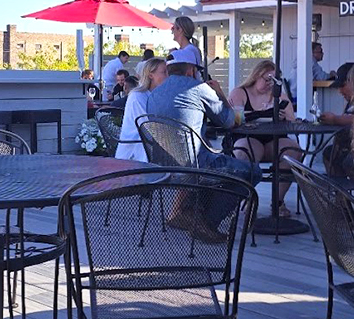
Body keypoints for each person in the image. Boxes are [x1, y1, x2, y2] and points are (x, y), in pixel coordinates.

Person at [147, 45, 260, 184]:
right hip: (197, 165)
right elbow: (231, 121)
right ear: (190, 70)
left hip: (162, 166)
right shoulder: (198, 88)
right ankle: (220, 206)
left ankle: (199, 204)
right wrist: (220, 94)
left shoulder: (153, 94)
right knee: (254, 172)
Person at [228, 60, 302, 216]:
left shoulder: (279, 97)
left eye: (274, 80)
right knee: (245, 151)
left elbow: (292, 122)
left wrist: (285, 115)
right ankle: (247, 197)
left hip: (273, 140)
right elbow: (236, 120)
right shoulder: (240, 93)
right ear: (256, 76)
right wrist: (260, 114)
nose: (270, 84)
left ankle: (278, 201)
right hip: (247, 138)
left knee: (293, 151)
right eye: (267, 79)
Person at [115, 57, 167, 161]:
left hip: (150, 148)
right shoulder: (138, 96)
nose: (168, 76)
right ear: (151, 75)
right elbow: (148, 127)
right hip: (135, 153)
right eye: (164, 72)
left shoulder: (157, 96)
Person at [321, 62, 354, 178]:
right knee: (330, 154)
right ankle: (340, 194)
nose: (340, 91)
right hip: (347, 147)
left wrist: (335, 119)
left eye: (343, 85)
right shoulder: (350, 103)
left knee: (349, 162)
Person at [170, 16, 203, 80]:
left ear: (180, 30)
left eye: (173, 28)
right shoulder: (189, 49)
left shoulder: (189, 50)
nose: (172, 30)